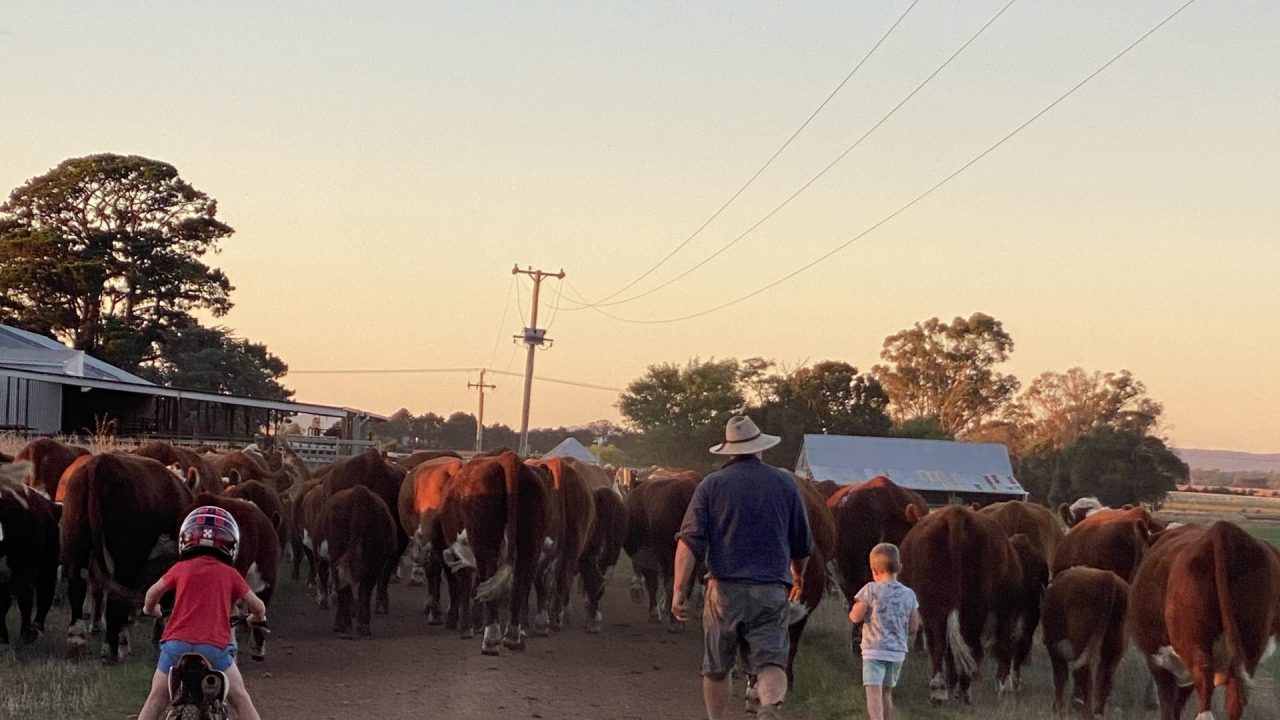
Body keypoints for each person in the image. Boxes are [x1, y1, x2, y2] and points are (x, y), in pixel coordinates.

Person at [673, 415, 812, 720]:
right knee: (771, 661)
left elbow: (688, 543)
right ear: (760, 447)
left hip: (723, 591)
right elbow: (802, 544)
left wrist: (679, 590)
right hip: (771, 589)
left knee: (717, 667)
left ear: (729, 450)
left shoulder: (711, 485)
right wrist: (797, 574)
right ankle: (769, 706)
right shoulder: (785, 484)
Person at [137, 506, 266, 720]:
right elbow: (258, 606)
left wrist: (151, 609)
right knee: (241, 698)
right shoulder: (231, 573)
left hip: (175, 646)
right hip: (214, 648)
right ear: (231, 543)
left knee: (156, 699)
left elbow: (152, 594)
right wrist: (256, 618)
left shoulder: (181, 568)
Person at [848, 542, 921, 720]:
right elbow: (914, 627)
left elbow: (856, 617)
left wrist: (855, 609)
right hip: (897, 653)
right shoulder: (909, 594)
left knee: (873, 692)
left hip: (874, 651)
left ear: (874, 570)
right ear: (899, 568)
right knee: (886, 693)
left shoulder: (870, 590)